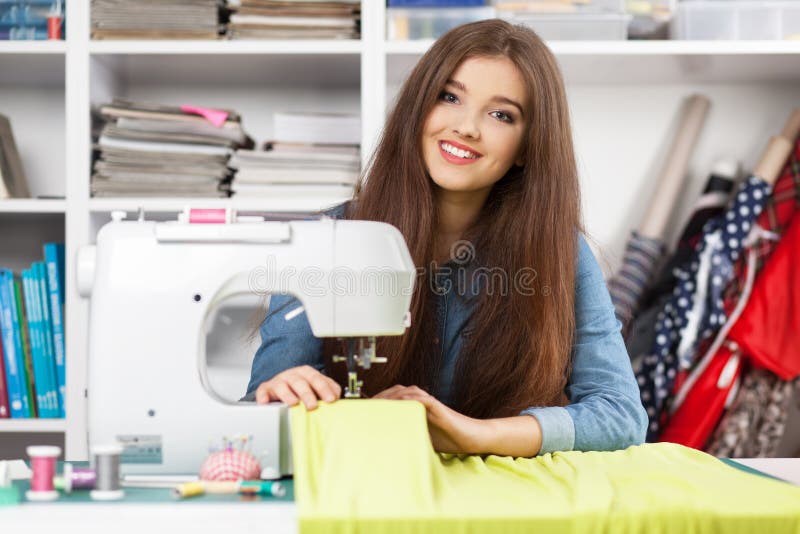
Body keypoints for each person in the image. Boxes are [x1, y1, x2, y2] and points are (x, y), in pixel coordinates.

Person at [245, 19, 648, 457]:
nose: (466, 127)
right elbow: (259, 413)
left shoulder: (559, 253)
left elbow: (620, 415)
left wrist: (470, 433)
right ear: (419, 107)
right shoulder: (321, 243)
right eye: (449, 97)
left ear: (527, 147)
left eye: (501, 114)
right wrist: (281, 395)